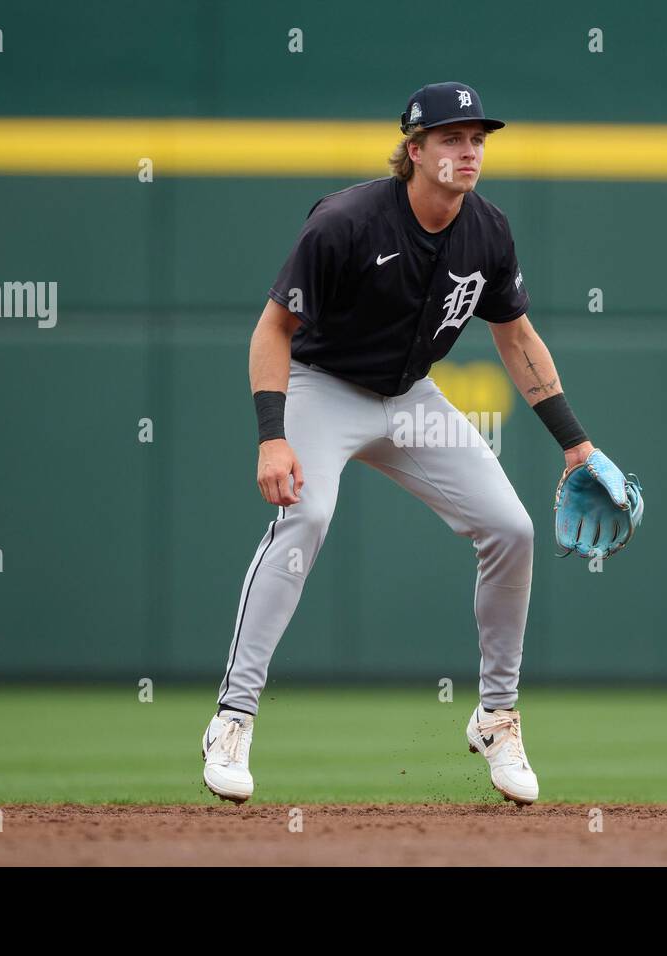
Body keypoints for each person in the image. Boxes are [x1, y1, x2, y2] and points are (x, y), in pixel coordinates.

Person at [202, 82, 595, 806]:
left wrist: (575, 445)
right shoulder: (346, 222)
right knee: (306, 518)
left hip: (410, 397)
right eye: (450, 138)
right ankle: (233, 718)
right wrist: (273, 439)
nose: (468, 150)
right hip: (323, 387)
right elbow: (272, 332)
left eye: (477, 139)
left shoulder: (490, 231)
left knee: (511, 528)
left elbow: (515, 337)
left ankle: (497, 718)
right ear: (413, 151)